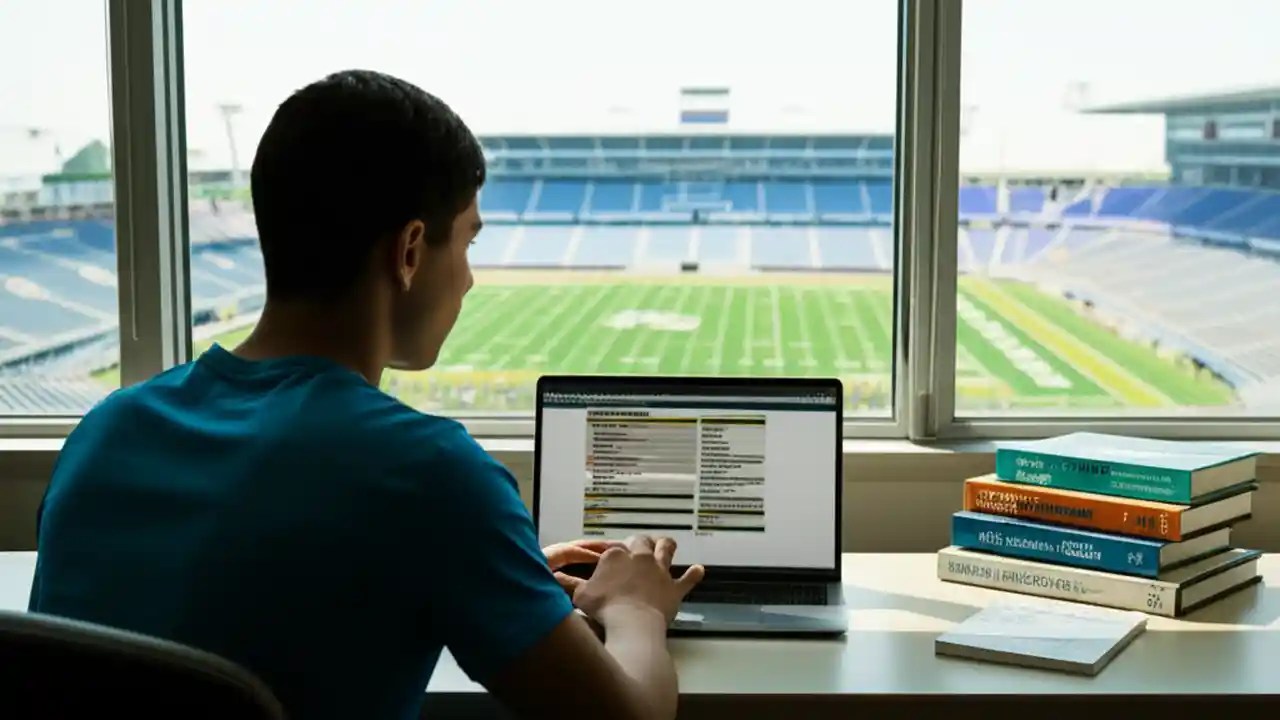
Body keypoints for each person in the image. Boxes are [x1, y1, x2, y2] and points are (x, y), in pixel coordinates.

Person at [28, 69, 704, 720]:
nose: (468, 279)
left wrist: (502, 574)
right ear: (410, 251)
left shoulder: (107, 428)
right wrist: (638, 611)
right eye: (467, 241)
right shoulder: (428, 475)